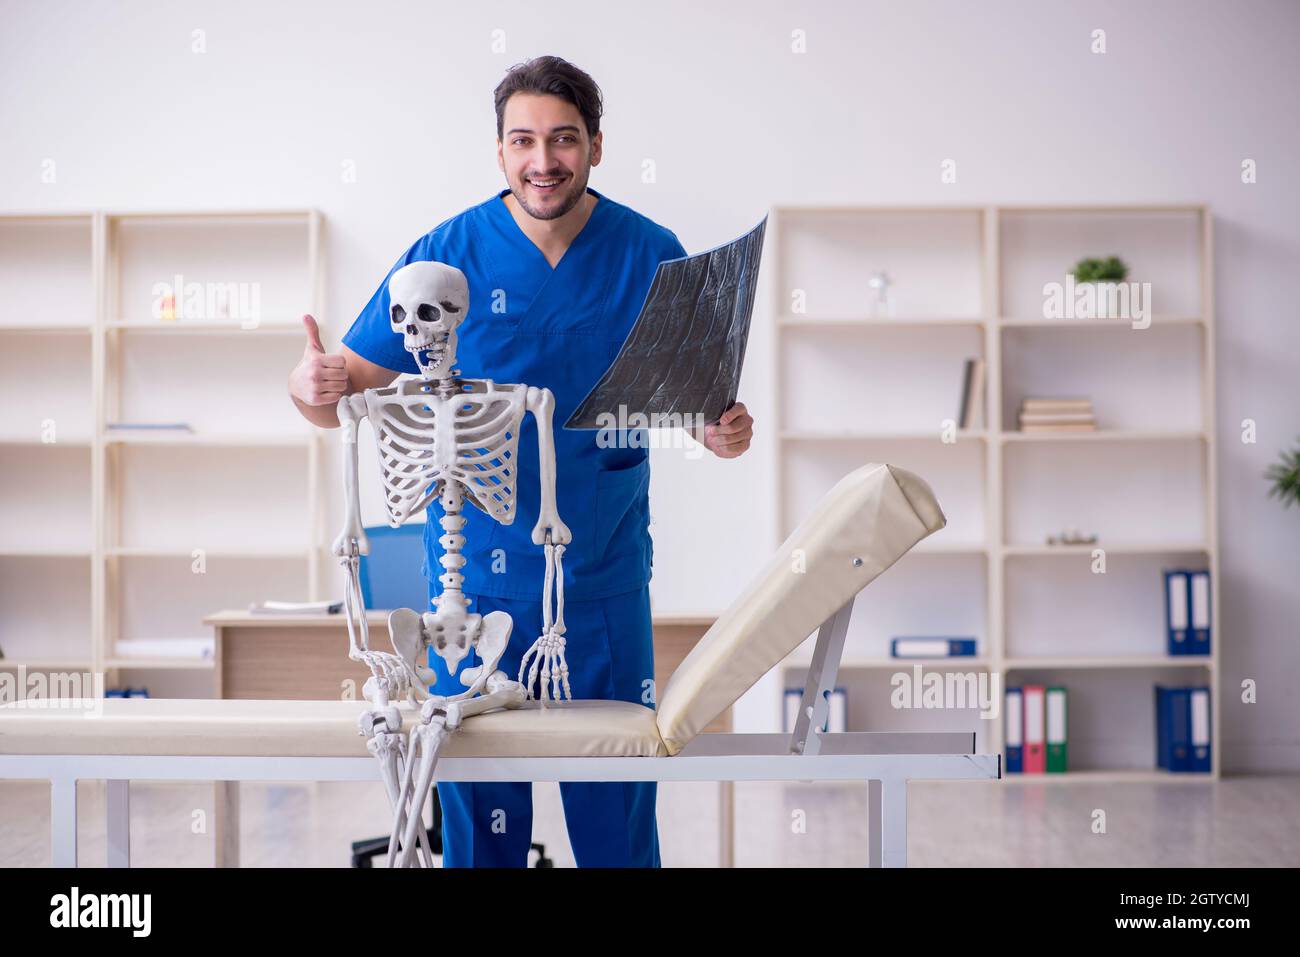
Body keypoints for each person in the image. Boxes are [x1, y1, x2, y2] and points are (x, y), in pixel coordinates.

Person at [288, 55, 754, 867]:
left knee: (615, 826)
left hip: (602, 583)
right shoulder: (448, 250)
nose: (545, 161)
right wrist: (309, 382)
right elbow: (340, 397)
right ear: (501, 151)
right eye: (525, 141)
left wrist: (720, 433)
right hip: (471, 594)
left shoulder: (650, 252)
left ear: (597, 146)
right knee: (483, 831)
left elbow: (698, 408)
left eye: (564, 139)